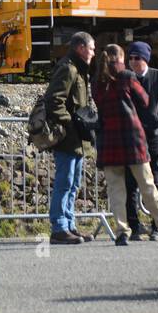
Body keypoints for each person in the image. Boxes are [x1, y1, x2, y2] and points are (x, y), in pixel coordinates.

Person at [92, 43, 158, 246]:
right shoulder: (127, 77)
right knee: (147, 184)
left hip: (109, 141)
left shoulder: (97, 81)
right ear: (122, 59)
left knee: (116, 190)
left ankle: (122, 231)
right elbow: (145, 100)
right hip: (132, 140)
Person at [44, 32, 95, 244]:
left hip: (78, 138)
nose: (94, 52)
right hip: (68, 137)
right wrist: (70, 123)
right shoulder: (68, 68)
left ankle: (69, 225)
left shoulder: (79, 70)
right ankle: (59, 227)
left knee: (73, 183)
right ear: (81, 48)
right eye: (91, 48)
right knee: (65, 182)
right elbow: (53, 100)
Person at [124, 41, 158, 240]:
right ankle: (134, 227)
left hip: (153, 137)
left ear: (145, 58)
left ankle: (157, 226)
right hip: (131, 137)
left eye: (137, 58)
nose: (133, 61)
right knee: (130, 182)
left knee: (154, 179)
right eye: (131, 58)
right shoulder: (126, 79)